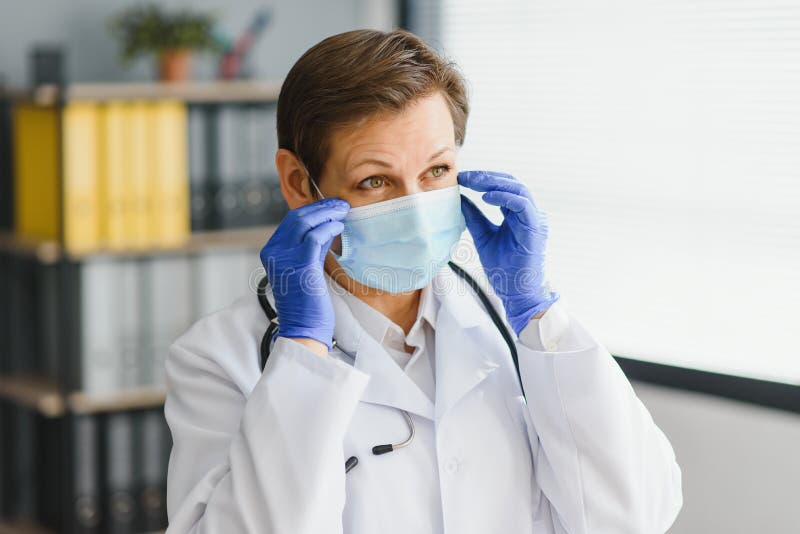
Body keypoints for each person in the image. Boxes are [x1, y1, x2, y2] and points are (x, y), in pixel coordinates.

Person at [164, 29, 682, 534]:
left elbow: (635, 517)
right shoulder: (219, 359)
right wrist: (302, 353)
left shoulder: (516, 329)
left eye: (436, 171)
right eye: (374, 180)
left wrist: (537, 313)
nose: (414, 209)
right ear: (301, 183)